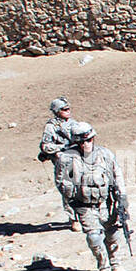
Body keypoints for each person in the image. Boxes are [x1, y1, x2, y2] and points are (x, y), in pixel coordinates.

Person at [58, 121, 130, 271]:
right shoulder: (67, 158)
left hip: (106, 202)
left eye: (89, 140)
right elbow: (61, 182)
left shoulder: (105, 154)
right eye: (81, 142)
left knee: (113, 234)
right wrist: (74, 195)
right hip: (84, 206)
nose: (86, 144)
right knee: (94, 237)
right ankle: (103, 267)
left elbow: (117, 175)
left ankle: (115, 262)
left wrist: (122, 198)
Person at [39, 97, 80, 229]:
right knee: (68, 189)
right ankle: (73, 218)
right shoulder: (51, 127)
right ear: (57, 111)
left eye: (68, 109)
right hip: (63, 161)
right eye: (64, 109)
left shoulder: (74, 123)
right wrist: (61, 149)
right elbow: (45, 146)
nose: (68, 111)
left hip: (78, 159)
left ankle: (85, 215)